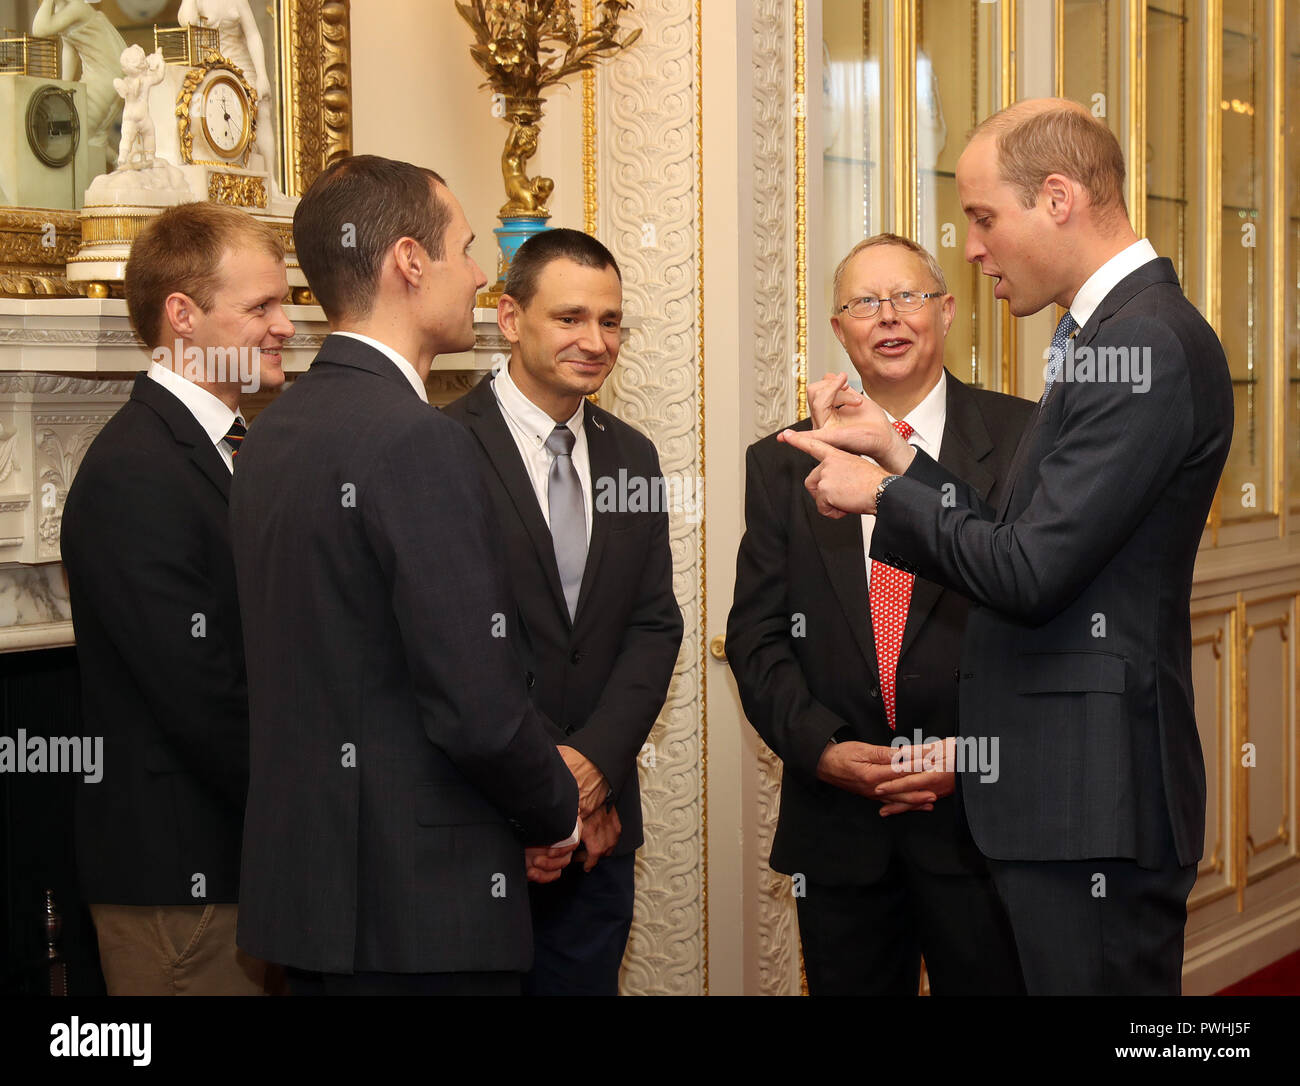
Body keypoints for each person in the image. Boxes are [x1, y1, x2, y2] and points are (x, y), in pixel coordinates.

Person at [781, 99, 1234, 995]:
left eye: (984, 219)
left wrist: (877, 494)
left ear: (1057, 198)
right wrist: (899, 453)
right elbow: (1024, 535)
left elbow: (1027, 574)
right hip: (1064, 800)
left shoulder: (1141, 341)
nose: (974, 249)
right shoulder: (1111, 335)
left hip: (1089, 804)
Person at [229, 155, 582, 997]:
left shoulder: (271, 434)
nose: (479, 274)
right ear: (408, 263)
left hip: (311, 907)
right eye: (464, 248)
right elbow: (477, 707)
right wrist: (557, 810)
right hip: (422, 911)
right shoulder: (417, 441)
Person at [726, 234, 1031, 995]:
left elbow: (1036, 606)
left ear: (948, 311)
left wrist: (974, 753)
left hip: (982, 822)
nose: (888, 318)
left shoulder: (1025, 439)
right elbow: (756, 637)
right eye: (864, 303)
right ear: (839, 330)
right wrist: (823, 749)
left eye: (909, 297)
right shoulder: (783, 460)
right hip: (840, 833)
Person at [61, 201, 293, 995]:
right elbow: (201, 695)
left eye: (284, 302)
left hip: (241, 868)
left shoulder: (232, 448)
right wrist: (318, 805)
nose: (286, 326)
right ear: (183, 316)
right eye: (261, 306)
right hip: (183, 885)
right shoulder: (136, 471)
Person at [443, 229, 682, 996]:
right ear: (510, 318)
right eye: (570, 318)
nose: (595, 341)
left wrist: (595, 771)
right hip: (482, 828)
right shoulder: (440, 446)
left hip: (601, 833)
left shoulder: (632, 455)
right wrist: (546, 791)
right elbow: (451, 648)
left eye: (610, 322)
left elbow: (653, 625)